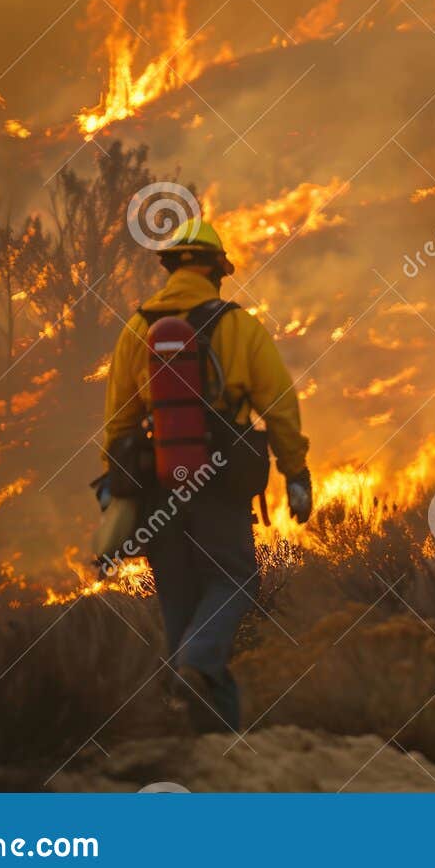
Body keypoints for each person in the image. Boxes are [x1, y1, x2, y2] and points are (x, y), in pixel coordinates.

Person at [98, 217, 312, 732]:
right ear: (218, 271)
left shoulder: (137, 326)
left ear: (170, 266)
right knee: (236, 577)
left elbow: (118, 420)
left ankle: (199, 725)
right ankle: (196, 668)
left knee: (177, 592)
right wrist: (296, 471)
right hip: (218, 481)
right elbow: (279, 405)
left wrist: (114, 482)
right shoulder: (239, 326)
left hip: (155, 484)